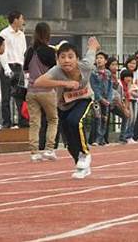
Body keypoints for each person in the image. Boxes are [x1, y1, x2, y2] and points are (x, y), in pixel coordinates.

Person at [34, 37, 100, 179]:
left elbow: (92, 50)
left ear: (77, 59)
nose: (67, 60)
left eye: (70, 57)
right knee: (69, 142)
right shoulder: (57, 71)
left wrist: (93, 44)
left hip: (83, 99)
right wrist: (65, 84)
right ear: (58, 60)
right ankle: (81, 166)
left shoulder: (86, 66)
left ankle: (85, 153)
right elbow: (38, 82)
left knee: (75, 121)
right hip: (63, 105)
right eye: (62, 57)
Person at [24, 22, 58, 162]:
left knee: (34, 122)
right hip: (47, 90)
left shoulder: (30, 51)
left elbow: (25, 70)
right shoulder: (50, 51)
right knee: (52, 119)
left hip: (32, 90)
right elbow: (55, 70)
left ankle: (34, 151)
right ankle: (49, 149)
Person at [0, 10, 28, 129]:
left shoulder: (21, 35)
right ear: (15, 20)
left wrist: (23, 68)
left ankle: (23, 120)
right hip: (8, 65)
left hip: (19, 66)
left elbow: (23, 52)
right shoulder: (4, 34)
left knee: (21, 95)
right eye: (21, 18)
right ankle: (6, 121)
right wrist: (6, 68)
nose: (23, 21)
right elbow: (2, 52)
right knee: (6, 96)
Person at [89, 52, 112, 146]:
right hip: (96, 99)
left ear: (105, 61)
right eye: (97, 58)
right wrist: (100, 98)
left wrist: (109, 99)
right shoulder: (93, 73)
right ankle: (96, 139)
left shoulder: (108, 73)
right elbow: (94, 87)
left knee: (104, 118)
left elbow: (110, 87)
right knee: (97, 117)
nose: (99, 60)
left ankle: (101, 138)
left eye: (101, 58)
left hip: (106, 99)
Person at [119, 56, 138, 144]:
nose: (132, 65)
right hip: (127, 101)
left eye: (134, 63)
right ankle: (125, 136)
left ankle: (130, 135)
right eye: (131, 63)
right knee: (129, 118)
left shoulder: (137, 74)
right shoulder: (123, 74)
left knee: (134, 118)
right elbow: (124, 93)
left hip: (134, 101)